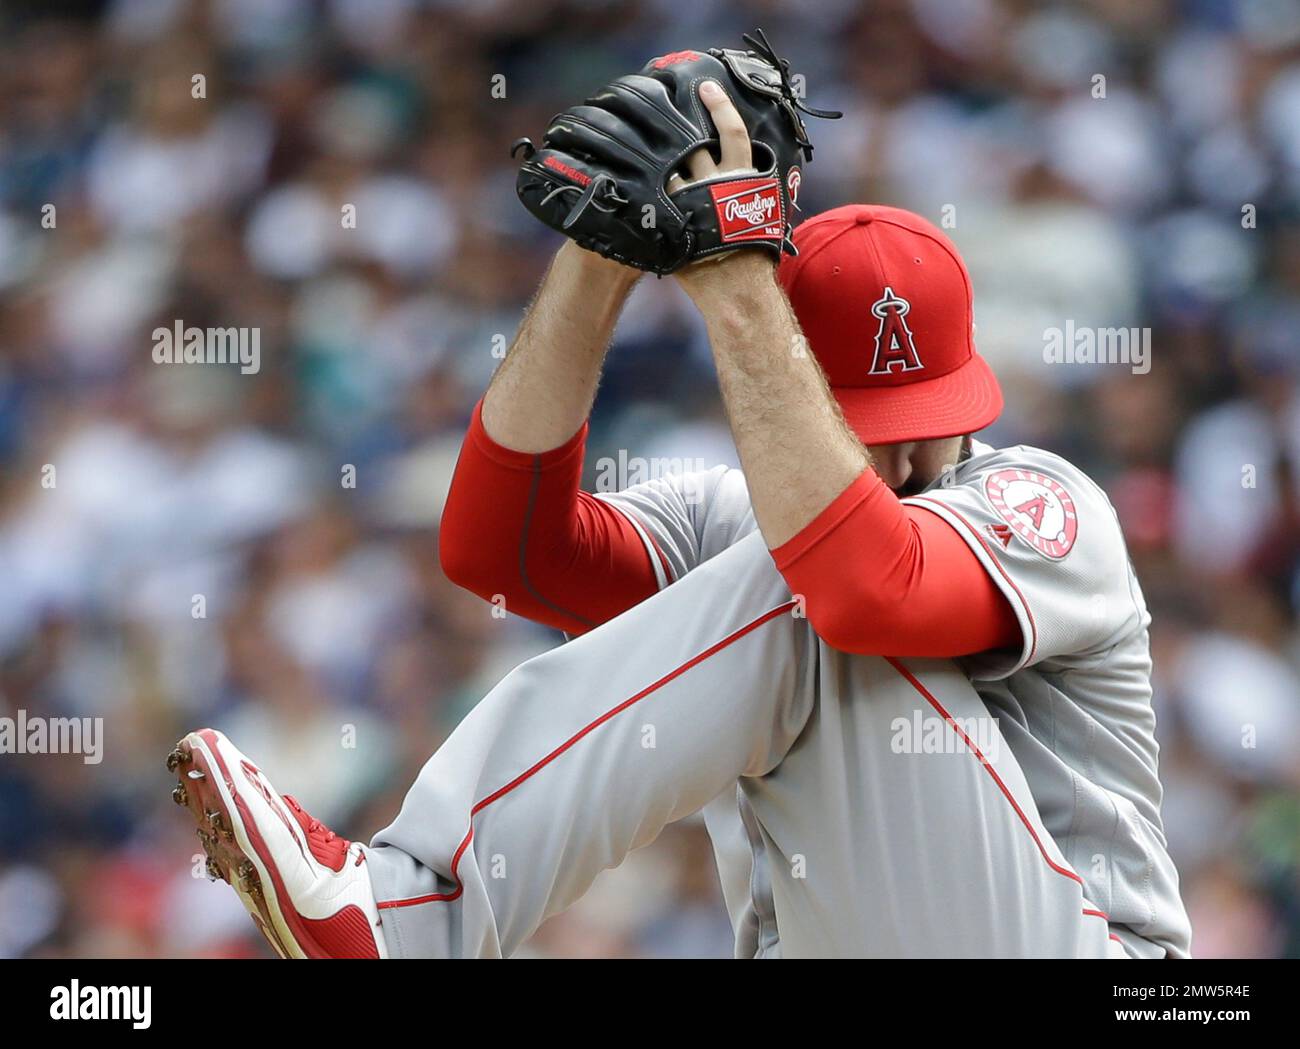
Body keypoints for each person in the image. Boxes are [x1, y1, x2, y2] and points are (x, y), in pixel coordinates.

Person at [170, 83, 1191, 959]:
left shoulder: (1049, 505)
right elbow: (501, 554)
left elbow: (868, 582)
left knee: (819, 583)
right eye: (857, 422)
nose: (901, 454)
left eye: (919, 422)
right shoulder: (737, 515)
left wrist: (731, 275)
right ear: (784, 395)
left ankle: (412, 911)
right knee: (793, 561)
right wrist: (596, 257)